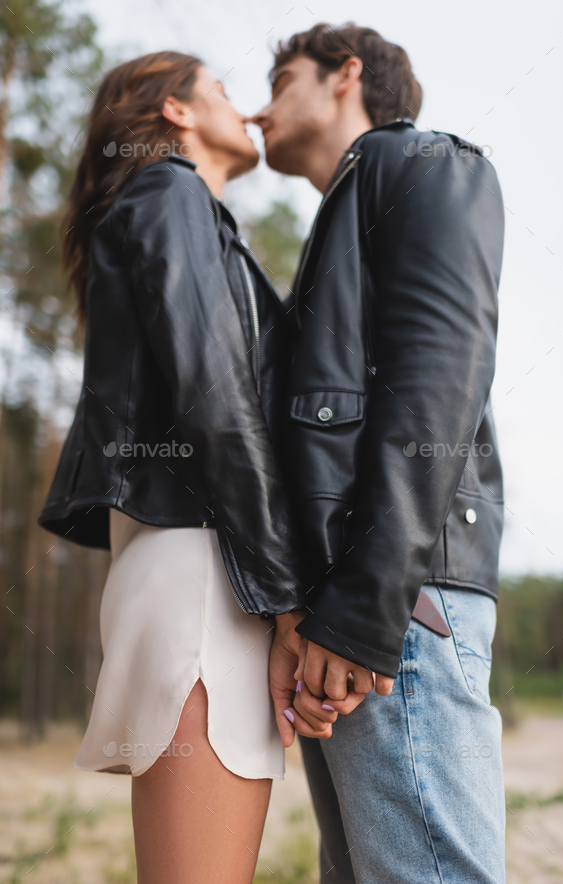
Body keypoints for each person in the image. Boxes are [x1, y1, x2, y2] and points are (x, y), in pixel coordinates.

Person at [37, 50, 331, 884]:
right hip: (210, 573)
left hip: (197, 562)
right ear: (175, 112)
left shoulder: (168, 210)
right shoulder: (169, 193)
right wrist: (287, 600)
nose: (244, 109)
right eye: (224, 91)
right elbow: (215, 397)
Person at [254, 23, 507, 884]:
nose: (258, 109)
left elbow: (441, 382)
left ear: (344, 76)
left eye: (281, 78)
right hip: (361, 605)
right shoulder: (349, 213)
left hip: (397, 601)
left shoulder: (430, 164)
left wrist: (365, 608)